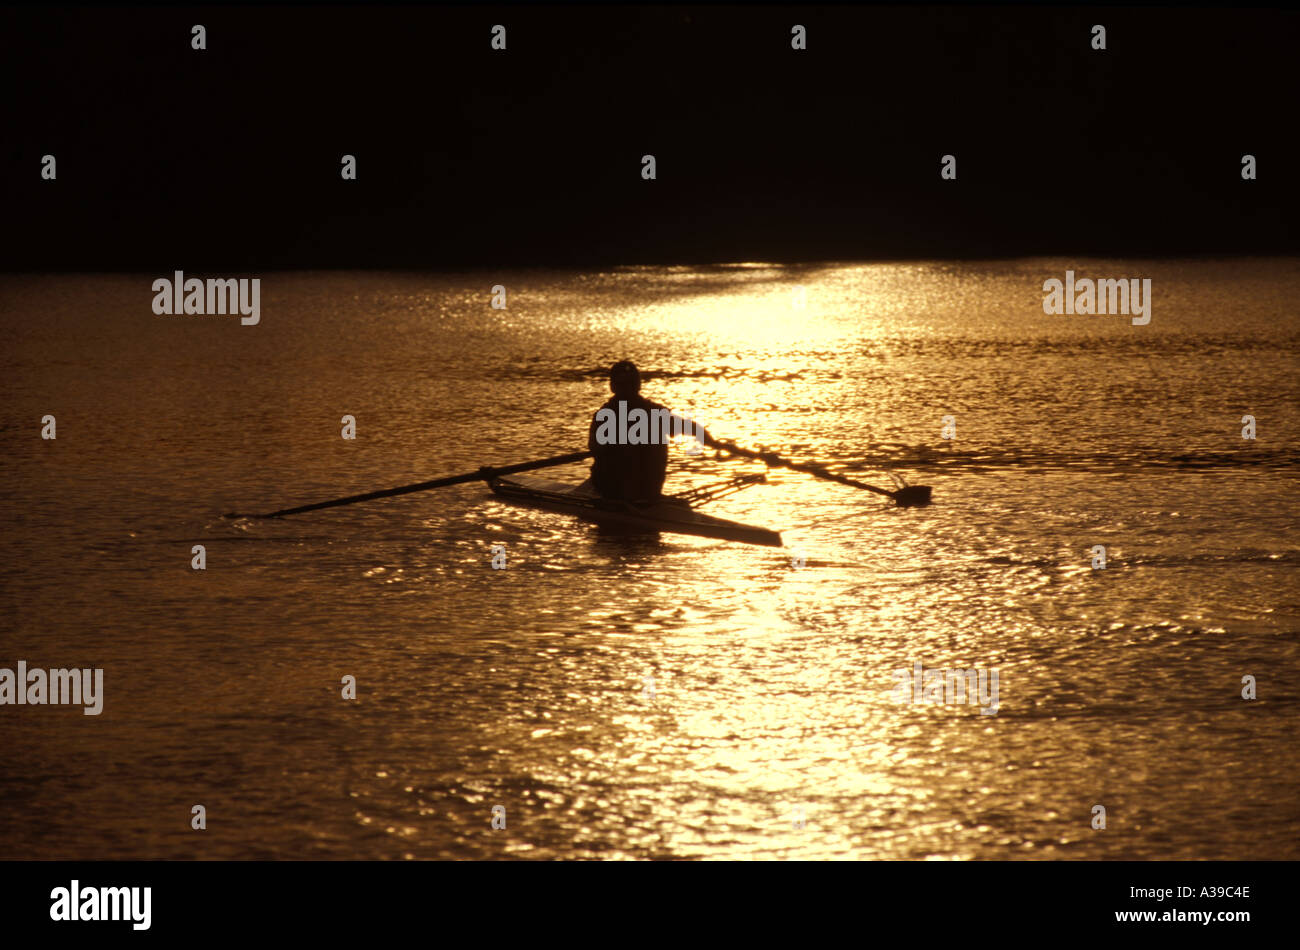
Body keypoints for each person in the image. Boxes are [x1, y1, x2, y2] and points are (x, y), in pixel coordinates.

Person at [587, 361, 713, 502]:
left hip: (639, 490)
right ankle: (637, 497)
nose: (627, 389)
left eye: (630, 384)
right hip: (618, 491)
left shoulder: (607, 415)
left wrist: (709, 439)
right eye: (624, 384)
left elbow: (692, 428)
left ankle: (640, 496)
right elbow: (595, 447)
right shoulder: (650, 412)